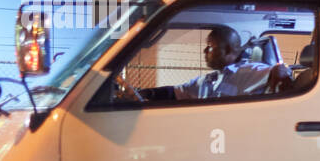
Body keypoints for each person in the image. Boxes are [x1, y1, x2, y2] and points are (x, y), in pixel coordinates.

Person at [115, 25, 293, 102]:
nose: (205, 51)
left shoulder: (246, 71)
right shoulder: (209, 79)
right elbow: (174, 92)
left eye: (210, 47)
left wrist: (279, 72)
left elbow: (279, 70)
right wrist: (142, 93)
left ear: (229, 50)